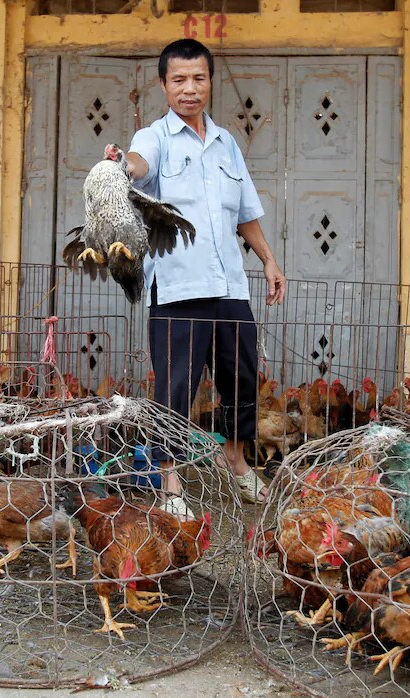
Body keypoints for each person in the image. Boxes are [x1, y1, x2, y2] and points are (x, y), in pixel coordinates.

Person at [121, 38, 286, 503]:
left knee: (242, 377)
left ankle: (235, 459)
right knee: (177, 386)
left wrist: (269, 259)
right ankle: (170, 482)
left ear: (209, 82)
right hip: (177, 287)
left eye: (198, 78)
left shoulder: (226, 143)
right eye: (179, 80)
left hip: (230, 285)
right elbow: (137, 164)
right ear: (164, 85)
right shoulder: (153, 138)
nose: (189, 89)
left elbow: (245, 211)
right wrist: (121, 167)